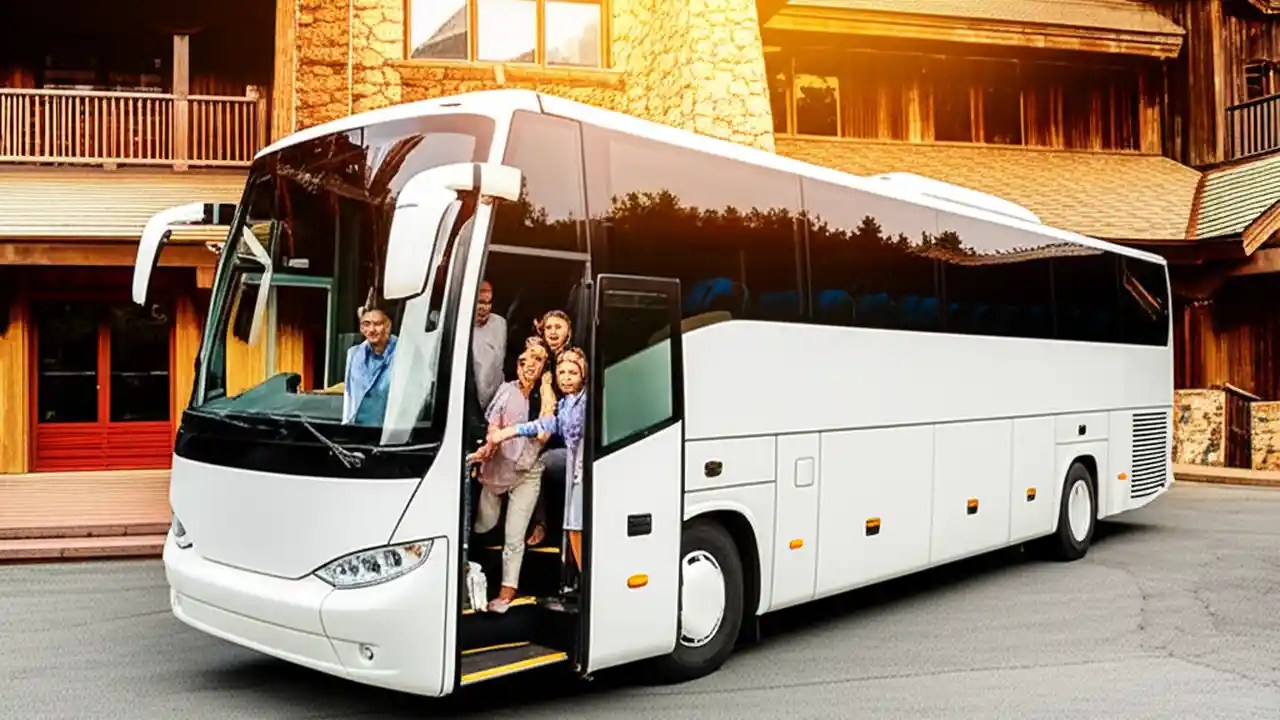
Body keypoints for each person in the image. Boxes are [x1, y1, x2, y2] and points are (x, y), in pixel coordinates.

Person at [476, 347, 589, 575]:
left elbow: (552, 431)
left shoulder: (579, 402)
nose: (566, 378)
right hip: (569, 468)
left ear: (583, 376)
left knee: (576, 527)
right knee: (573, 528)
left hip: (580, 470)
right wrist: (506, 433)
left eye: (572, 373)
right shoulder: (567, 402)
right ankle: (580, 576)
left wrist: (511, 431)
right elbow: (547, 425)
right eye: (563, 372)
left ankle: (584, 577)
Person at [469, 337, 556, 613]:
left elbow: (543, 433)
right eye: (525, 359)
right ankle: (473, 573)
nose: (530, 364)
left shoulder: (547, 396)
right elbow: (492, 426)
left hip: (528, 471)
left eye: (538, 359)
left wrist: (545, 388)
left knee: (514, 536)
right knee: (484, 524)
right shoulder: (506, 390)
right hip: (498, 468)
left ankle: (507, 592)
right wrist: (487, 448)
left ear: (545, 366)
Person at [525, 309, 574, 546]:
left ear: (568, 331)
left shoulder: (572, 361)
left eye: (558, 327)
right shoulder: (543, 359)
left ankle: (541, 524)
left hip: (570, 441)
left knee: (537, 464)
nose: (553, 332)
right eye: (549, 328)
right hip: (550, 433)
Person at [343, 305, 397, 425]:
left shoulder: (404, 352)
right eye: (366, 324)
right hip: (358, 433)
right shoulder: (353, 354)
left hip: (389, 434)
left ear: (388, 326)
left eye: (377, 324)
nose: (371, 330)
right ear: (361, 328)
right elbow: (349, 398)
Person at [472, 280, 507, 412]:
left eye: (488, 303)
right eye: (480, 302)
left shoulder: (499, 324)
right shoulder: (458, 324)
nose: (484, 308)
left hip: (495, 402)